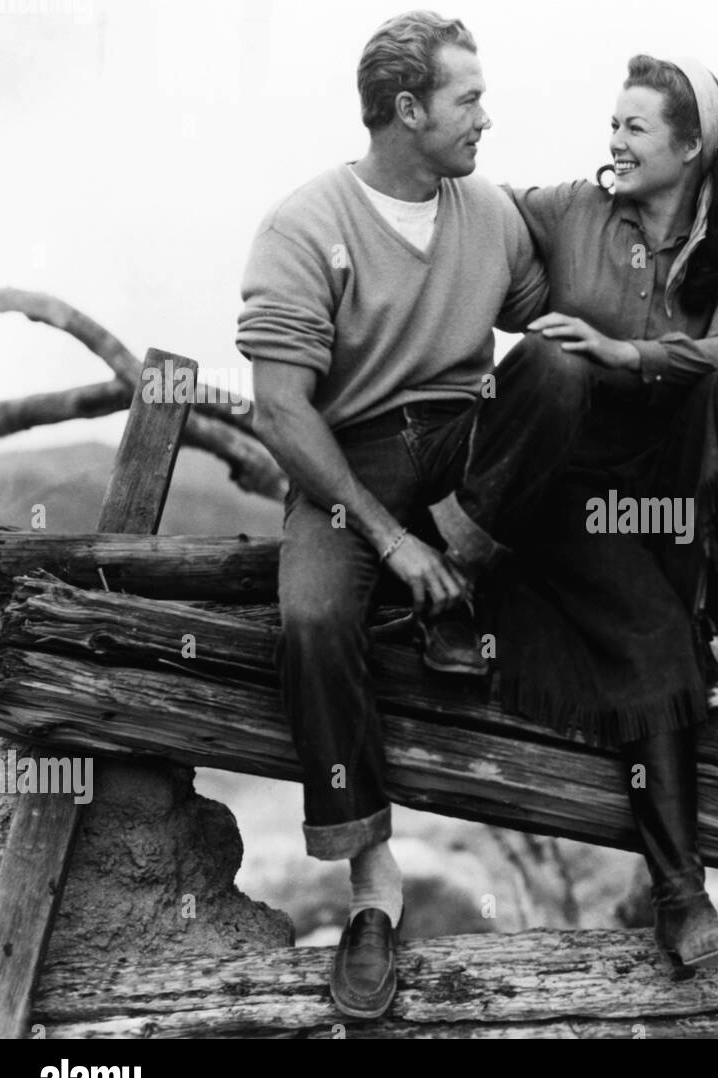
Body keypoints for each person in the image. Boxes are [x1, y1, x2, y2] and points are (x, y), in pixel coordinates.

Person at [236, 10, 561, 1019]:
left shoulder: (493, 213)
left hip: (465, 445)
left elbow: (553, 323)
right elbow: (281, 408)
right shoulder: (303, 224)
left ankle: (455, 584)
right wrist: (388, 540)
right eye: (468, 99)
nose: (485, 118)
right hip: (352, 461)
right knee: (312, 619)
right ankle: (371, 886)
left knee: (556, 372)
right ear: (407, 108)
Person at [491, 55, 718, 969]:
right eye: (612, 124)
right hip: (556, 487)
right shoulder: (571, 208)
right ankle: (683, 900)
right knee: (655, 641)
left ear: (692, 146)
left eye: (636, 128)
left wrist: (625, 353)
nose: (613, 142)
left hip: (661, 494)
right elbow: (469, 203)